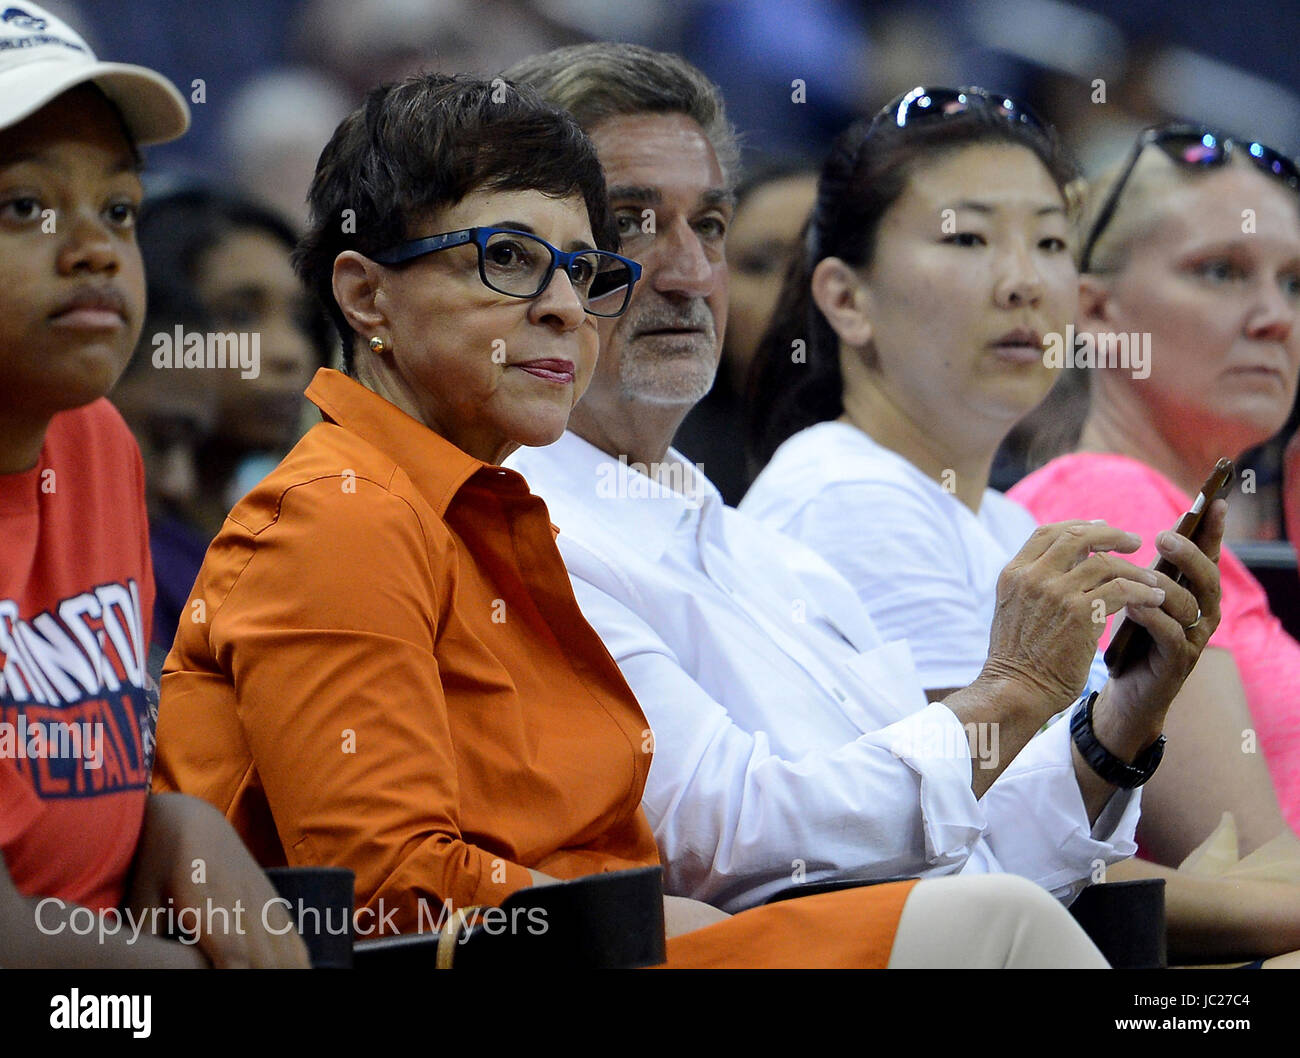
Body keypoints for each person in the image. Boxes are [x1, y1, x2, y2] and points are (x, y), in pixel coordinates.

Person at [151, 70, 1112, 969]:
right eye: (512, 260)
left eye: (579, 270)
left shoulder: (490, 512)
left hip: (625, 939)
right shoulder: (344, 516)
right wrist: (643, 914)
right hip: (577, 956)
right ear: (366, 295)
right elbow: (388, 892)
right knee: (998, 931)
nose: (569, 309)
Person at [503, 49, 1222, 920]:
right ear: (523, 260)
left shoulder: (772, 560)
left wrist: (1114, 730)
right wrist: (1012, 692)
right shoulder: (526, 531)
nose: (689, 271)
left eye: (712, 226)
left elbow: (972, 852)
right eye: (631, 221)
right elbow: (720, 841)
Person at [742, 98, 1300, 962]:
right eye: (969, 239)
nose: (1023, 281)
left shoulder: (994, 514)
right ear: (846, 299)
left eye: (1047, 241)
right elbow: (958, 859)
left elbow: (1030, 851)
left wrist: (1124, 719)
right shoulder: (848, 495)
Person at [0, 2, 307, 968]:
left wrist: (166, 823)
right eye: (21, 206)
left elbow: (74, 768)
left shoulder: (96, 444)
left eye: (119, 210)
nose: (93, 246)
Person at [1007, 123, 1300, 840]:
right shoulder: (1110, 503)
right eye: (1220, 271)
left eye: (1295, 283)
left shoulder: (1185, 514)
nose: (1275, 319)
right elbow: (1238, 866)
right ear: (1096, 309)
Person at [111, 185, 331, 656]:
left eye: (299, 319)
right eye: (239, 314)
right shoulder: (114, 551)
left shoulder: (292, 540)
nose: (288, 353)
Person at [674, 166, 817, 503]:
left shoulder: (934, 449)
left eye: (820, 262)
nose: (795, 291)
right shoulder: (665, 467)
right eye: (761, 264)